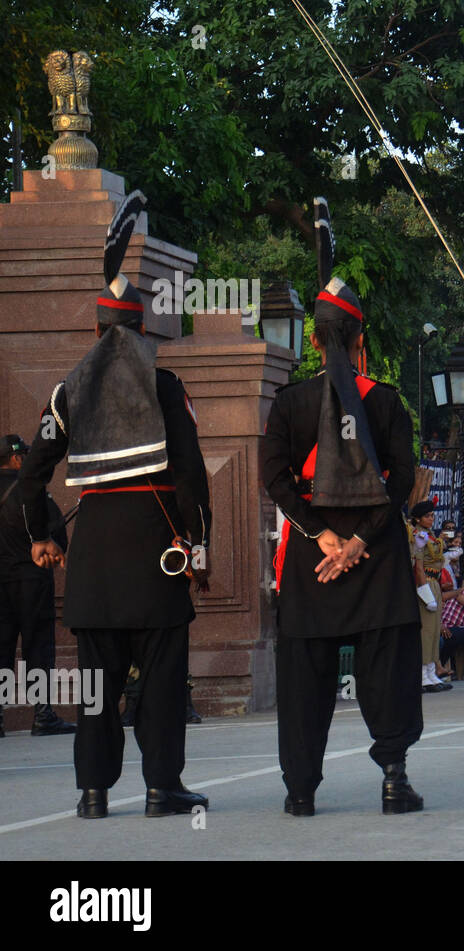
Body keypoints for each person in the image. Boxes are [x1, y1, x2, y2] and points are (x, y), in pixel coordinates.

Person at [19, 191, 211, 818]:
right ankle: (161, 788)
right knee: (159, 681)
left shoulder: (67, 392)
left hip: (96, 563)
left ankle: (94, 793)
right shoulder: (164, 387)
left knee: (97, 688)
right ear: (140, 330)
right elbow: (191, 480)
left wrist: (41, 535)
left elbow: (31, 475)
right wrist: (198, 547)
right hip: (156, 556)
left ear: (97, 331)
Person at [261, 197, 422, 817]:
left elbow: (275, 481)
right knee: (387, 666)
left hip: (312, 558)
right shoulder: (385, 403)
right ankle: (393, 780)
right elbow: (402, 484)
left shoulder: (289, 403)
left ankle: (300, 791)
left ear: (314, 337)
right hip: (374, 558)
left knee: (305, 677)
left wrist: (320, 535)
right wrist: (358, 542)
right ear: (358, 339)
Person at [0, 434, 75, 737]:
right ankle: (42, 715)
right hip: (31, 580)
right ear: (18, 459)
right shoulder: (29, 488)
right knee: (38, 647)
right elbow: (57, 535)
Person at [408, 501, 451, 693]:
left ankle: (432, 671)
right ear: (418, 518)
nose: (431, 519)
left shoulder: (430, 535)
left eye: (432, 516)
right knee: (426, 632)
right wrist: (425, 591)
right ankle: (422, 675)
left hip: (434, 583)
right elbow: (417, 565)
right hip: (424, 583)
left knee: (434, 632)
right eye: (427, 516)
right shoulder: (417, 535)